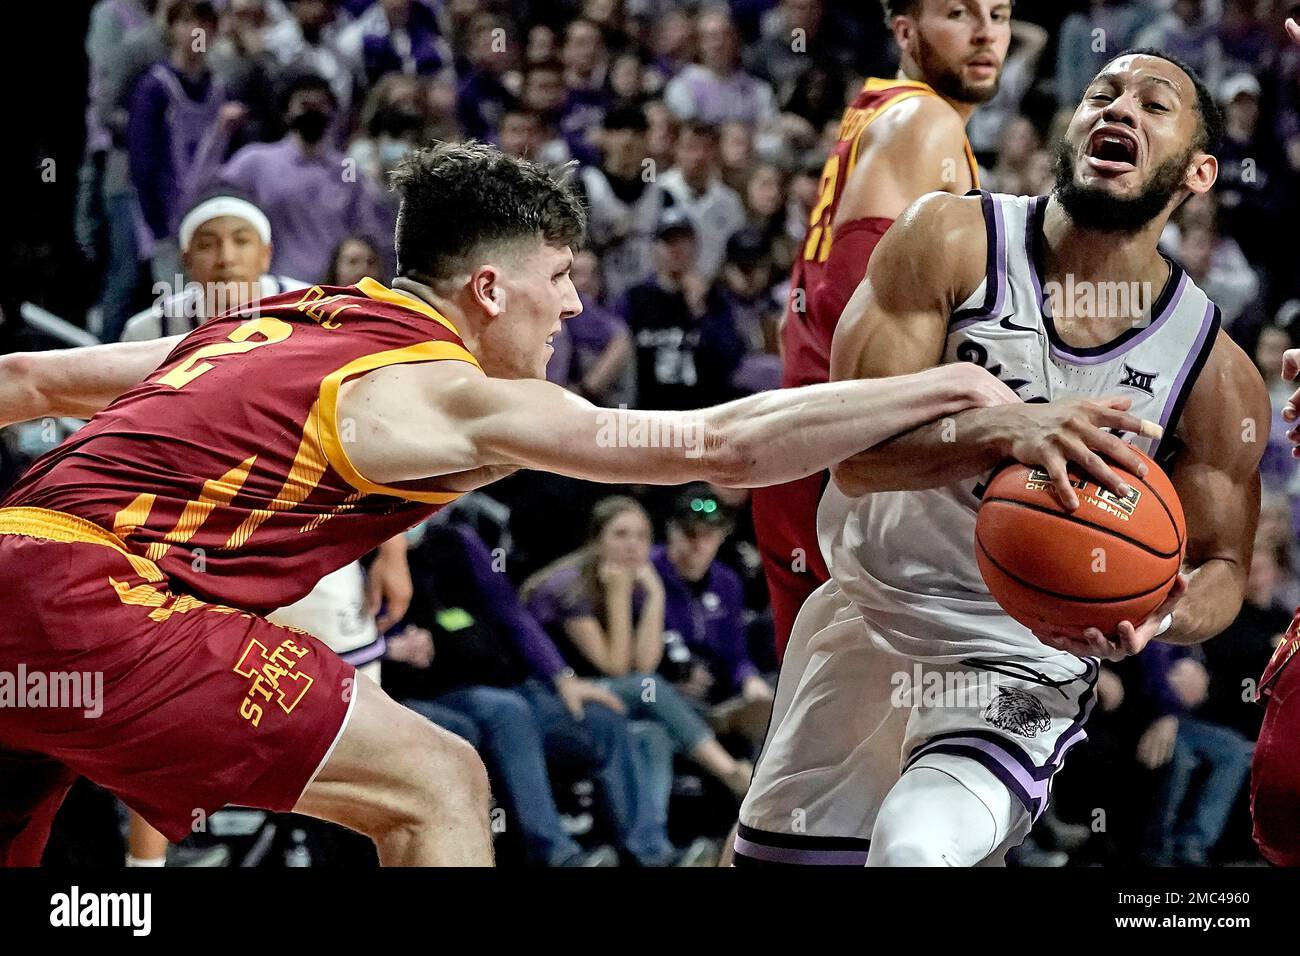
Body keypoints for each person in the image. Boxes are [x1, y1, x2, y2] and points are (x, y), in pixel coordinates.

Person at [0, 142, 1014, 867]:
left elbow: (30, 377)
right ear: (489, 286)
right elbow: (713, 444)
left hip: (22, 567)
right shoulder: (446, 388)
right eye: (561, 277)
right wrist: (951, 388)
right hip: (94, 603)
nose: (573, 305)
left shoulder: (280, 319)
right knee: (439, 785)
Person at [735, 50, 1269, 867]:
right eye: (1103, 93)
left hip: (1021, 657)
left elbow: (1224, 564)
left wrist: (1162, 611)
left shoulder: (1213, 371)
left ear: (1198, 172)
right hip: (868, 614)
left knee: (916, 850)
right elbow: (847, 457)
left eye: (1153, 104)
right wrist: (1001, 430)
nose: (1118, 108)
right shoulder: (948, 238)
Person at [751, 0, 1010, 659]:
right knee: (874, 728)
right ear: (903, 29)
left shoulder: (880, 112)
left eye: (1000, 13)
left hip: (806, 447)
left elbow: (802, 314)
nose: (986, 32)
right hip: (846, 464)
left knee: (820, 734)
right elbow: (850, 300)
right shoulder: (924, 119)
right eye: (958, 12)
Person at [523, 496, 754, 798]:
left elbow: (644, 664)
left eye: (642, 536)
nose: (632, 545)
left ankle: (650, 844)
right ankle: (732, 773)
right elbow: (618, 668)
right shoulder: (567, 587)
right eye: (620, 534)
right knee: (648, 687)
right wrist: (620, 595)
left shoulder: (637, 582)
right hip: (547, 695)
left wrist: (655, 595)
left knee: (654, 735)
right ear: (596, 540)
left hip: (601, 693)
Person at [120, 194, 305, 341]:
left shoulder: (312, 311)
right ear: (187, 260)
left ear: (266, 254)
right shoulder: (149, 332)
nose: (226, 258)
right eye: (207, 245)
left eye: (241, 241)